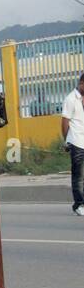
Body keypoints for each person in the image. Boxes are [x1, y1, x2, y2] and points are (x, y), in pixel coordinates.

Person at [61, 72, 84, 216]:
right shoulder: (70, 99)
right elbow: (64, 121)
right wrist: (66, 140)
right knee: (78, 176)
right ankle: (79, 205)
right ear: (82, 83)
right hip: (76, 141)